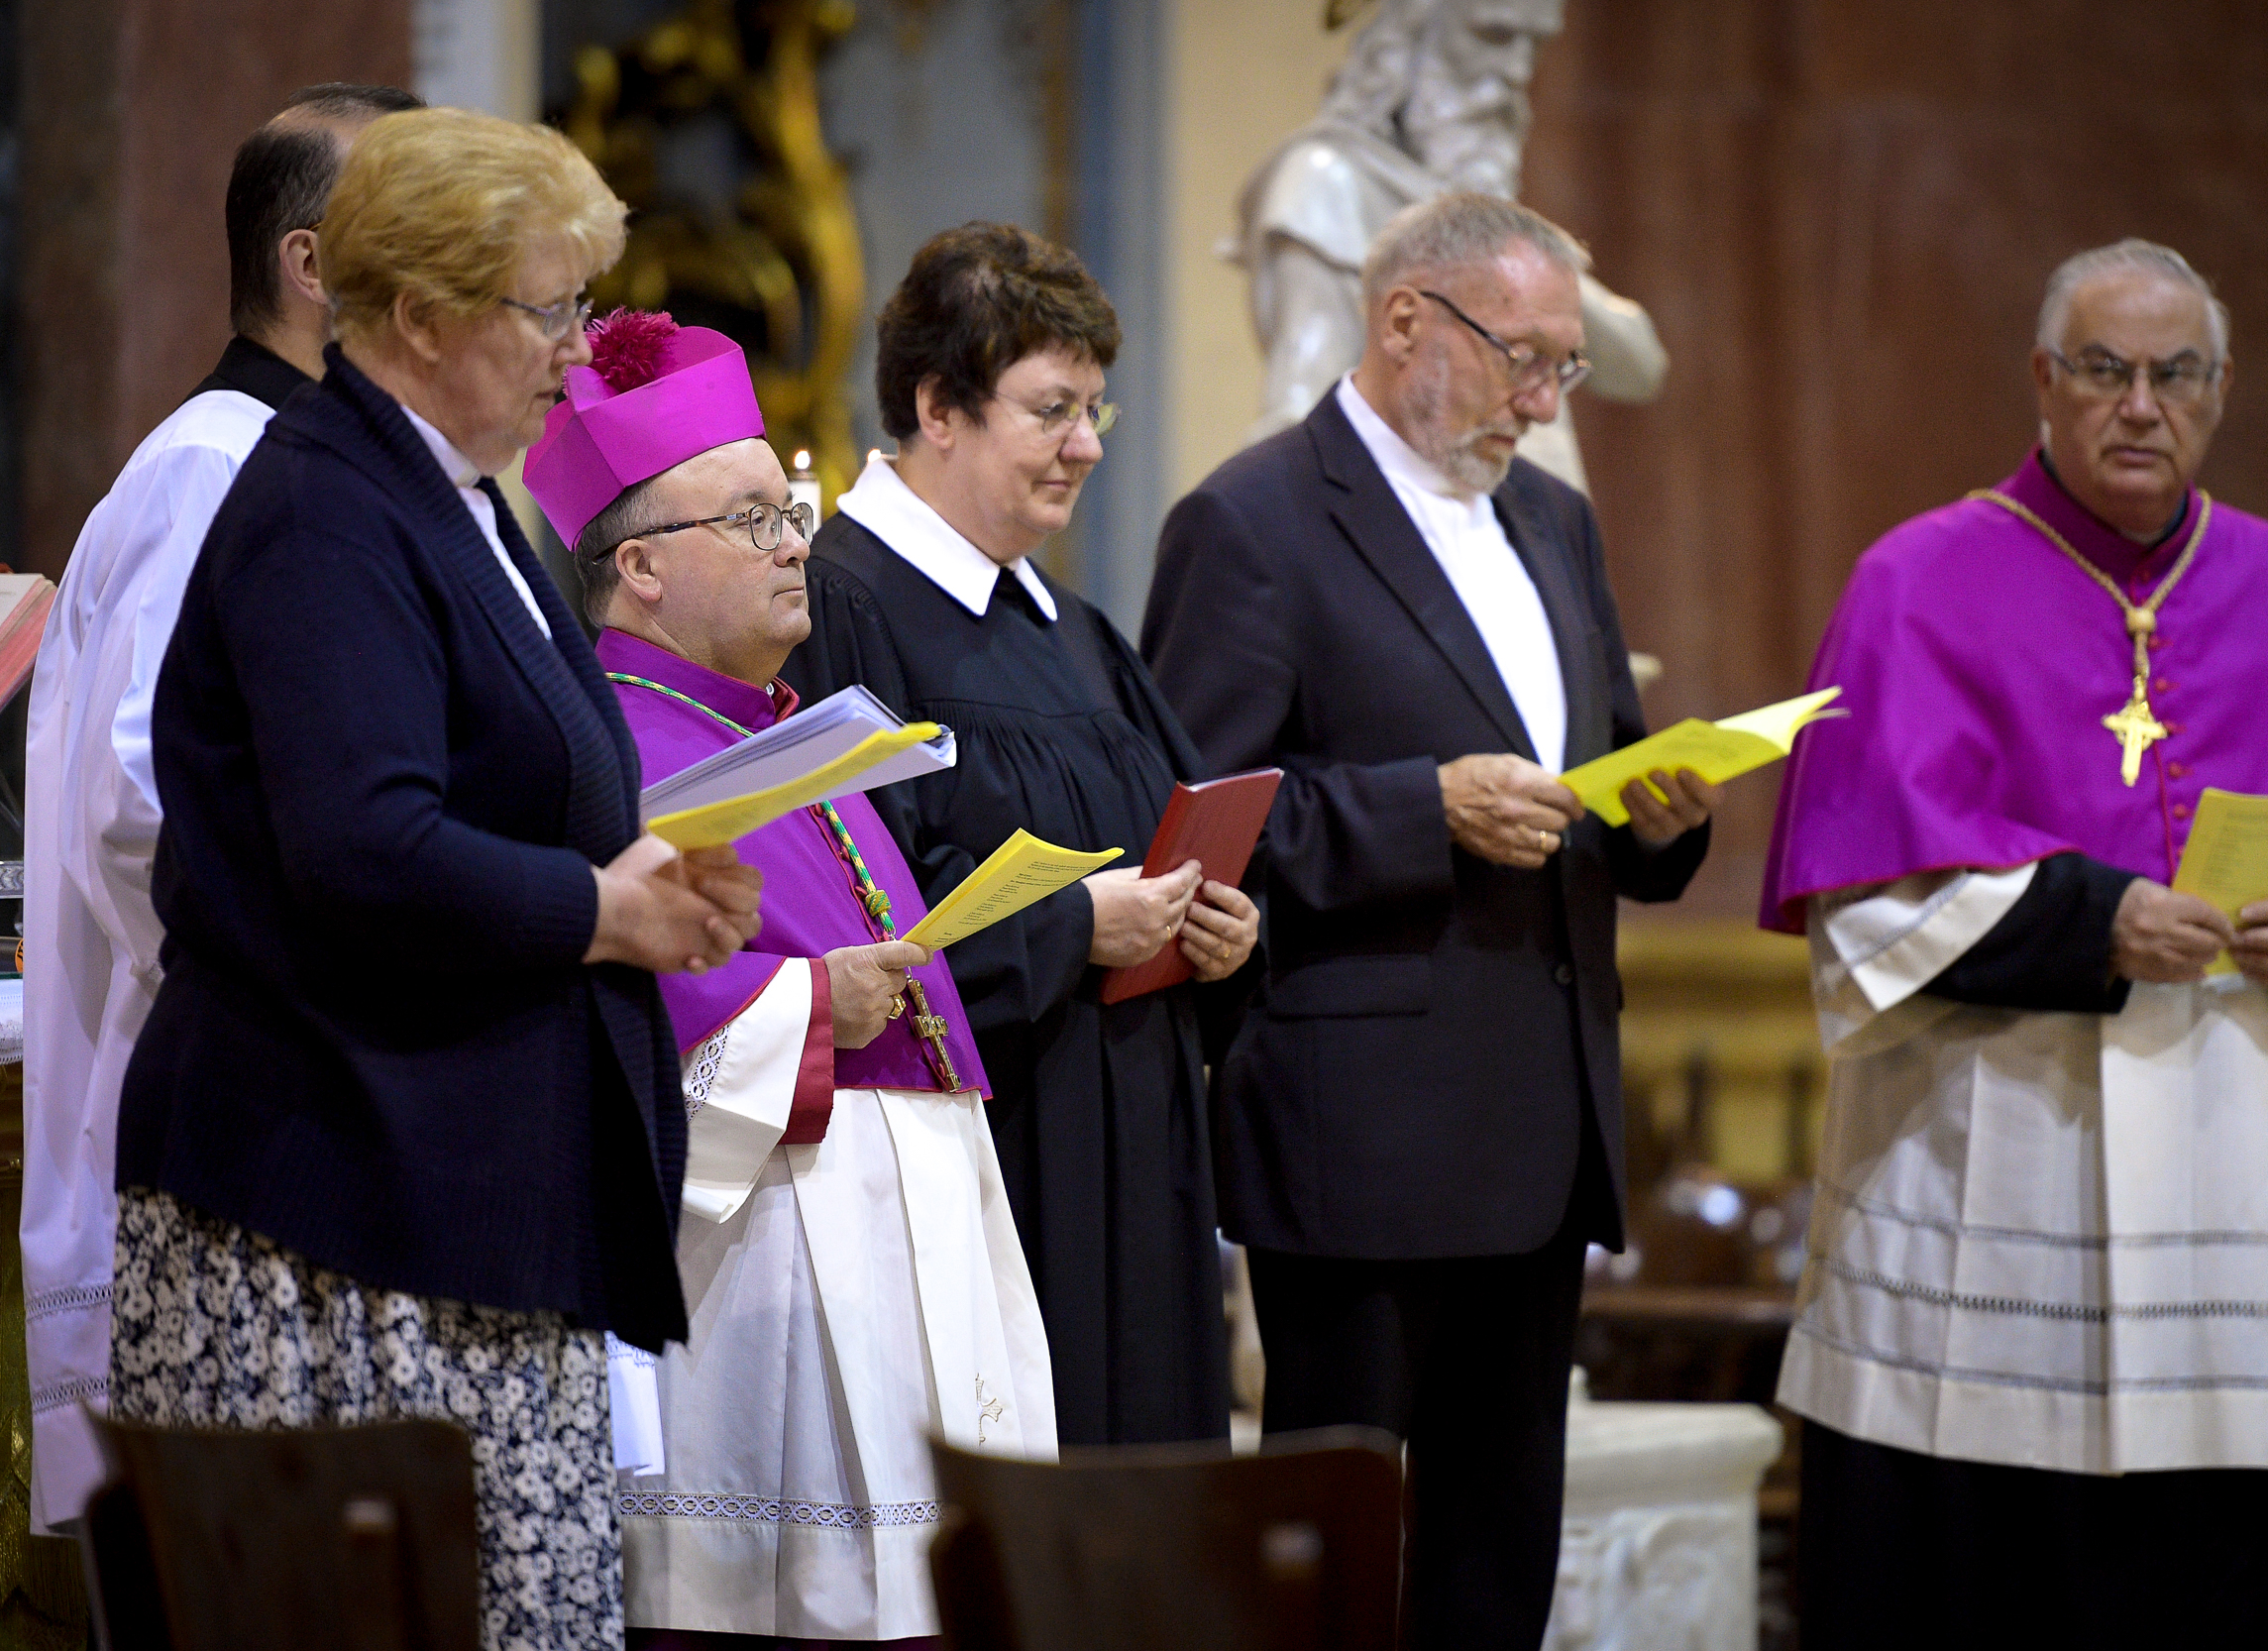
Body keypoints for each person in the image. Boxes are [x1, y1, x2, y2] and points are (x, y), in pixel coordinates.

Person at [110, 109, 763, 1647]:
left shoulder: (461, 502)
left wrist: (639, 869)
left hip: (450, 1208)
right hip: (333, 1216)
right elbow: (361, 849)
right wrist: (607, 908)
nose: (574, 350)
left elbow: (517, 786)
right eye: (548, 309)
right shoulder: (325, 512)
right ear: (416, 316)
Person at [1761, 239, 2268, 1649]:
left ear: (2216, 391)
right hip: (1984, 1168)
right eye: (2102, 370)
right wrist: (2093, 916)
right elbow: (1865, 897)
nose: (2138, 405)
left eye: (2173, 374)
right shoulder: (1914, 583)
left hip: (2223, 1156)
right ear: (2042, 381)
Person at [1143, 190, 1718, 1650]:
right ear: (1404, 319)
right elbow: (1190, 817)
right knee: (1327, 1565)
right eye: (1519, 356)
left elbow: (1591, 765)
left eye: (1561, 366)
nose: (1540, 398)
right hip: (1356, 1130)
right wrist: (1420, 809)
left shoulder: (1553, 518)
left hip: (1541, 1121)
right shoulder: (1254, 519)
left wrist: (1661, 813)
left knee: (1495, 1551)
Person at [523, 307, 1053, 1646]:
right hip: (768, 1240)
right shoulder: (599, 746)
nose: (792, 541)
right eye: (750, 518)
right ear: (636, 565)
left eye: (791, 508)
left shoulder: (791, 734)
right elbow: (602, 1007)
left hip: (902, 1222)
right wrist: (813, 1003)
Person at [781, 222, 1259, 1449]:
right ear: (940, 406)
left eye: (1096, 409)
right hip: (991, 1149)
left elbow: (1177, 825)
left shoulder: (1075, 625)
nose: (1087, 446)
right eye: (1053, 409)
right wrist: (1073, 926)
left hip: (1137, 1141)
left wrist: (1217, 921)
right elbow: (854, 905)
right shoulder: (841, 605)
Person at [20, 78, 421, 1535]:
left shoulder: (309, 468)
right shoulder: (221, 471)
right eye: (416, 224)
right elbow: (152, 815)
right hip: (238, 1150)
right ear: (310, 265)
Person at [1230, 0, 1666, 492]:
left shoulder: (1492, 217)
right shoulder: (1328, 185)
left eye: (1533, 44)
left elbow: (1641, 365)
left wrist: (1520, 267)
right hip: (1404, 532)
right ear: (1410, 34)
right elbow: (1298, 409)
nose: (1517, 70)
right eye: (1492, 37)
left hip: (1531, 534)